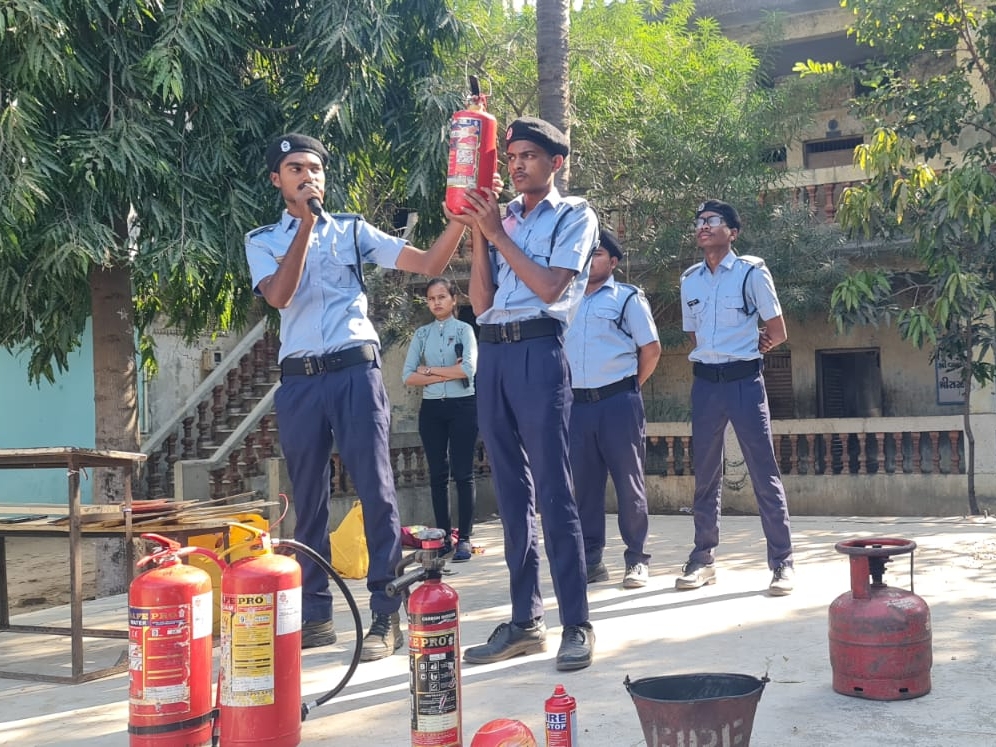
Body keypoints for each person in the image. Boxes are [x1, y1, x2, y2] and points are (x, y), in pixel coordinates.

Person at [245, 133, 468, 658]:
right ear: (278, 179)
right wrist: (303, 228)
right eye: (296, 168)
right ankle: (317, 613)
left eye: (316, 169)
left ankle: (386, 616)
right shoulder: (262, 239)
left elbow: (429, 262)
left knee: (376, 490)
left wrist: (461, 217)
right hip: (300, 379)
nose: (308, 177)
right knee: (308, 499)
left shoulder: (350, 230)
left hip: (354, 370)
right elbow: (279, 295)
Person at [453, 116, 598, 672]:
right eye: (512, 156)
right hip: (494, 349)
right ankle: (524, 622)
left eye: (530, 156)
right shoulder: (501, 216)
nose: (517, 165)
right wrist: (477, 233)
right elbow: (483, 303)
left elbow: (548, 285)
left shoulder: (574, 214)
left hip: (539, 349)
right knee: (511, 492)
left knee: (554, 491)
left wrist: (494, 234)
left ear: (555, 163)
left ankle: (577, 622)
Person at [676, 199, 795, 596]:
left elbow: (777, 331)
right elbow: (693, 335)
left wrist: (750, 347)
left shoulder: (751, 273)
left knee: (764, 471)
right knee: (705, 474)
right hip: (706, 384)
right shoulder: (689, 279)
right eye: (699, 221)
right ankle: (702, 559)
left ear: (733, 232)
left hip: (745, 382)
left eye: (712, 221)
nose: (703, 226)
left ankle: (782, 563)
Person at [564, 228, 661, 590]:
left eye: (598, 255)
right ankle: (591, 559)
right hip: (578, 406)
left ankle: (636, 558)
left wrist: (630, 386)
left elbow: (650, 349)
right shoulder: (566, 300)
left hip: (619, 402)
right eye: (586, 255)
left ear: (613, 261)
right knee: (584, 487)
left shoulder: (627, 298)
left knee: (628, 483)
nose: (590, 262)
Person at [402, 277, 479, 562]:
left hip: (463, 406)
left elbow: (469, 369)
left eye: (442, 297)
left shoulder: (465, 330)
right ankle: (444, 538)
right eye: (432, 298)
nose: (437, 302)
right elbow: (408, 375)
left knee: (463, 472)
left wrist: (431, 372)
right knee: (437, 475)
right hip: (432, 408)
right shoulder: (422, 334)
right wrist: (449, 371)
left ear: (453, 299)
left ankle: (465, 539)